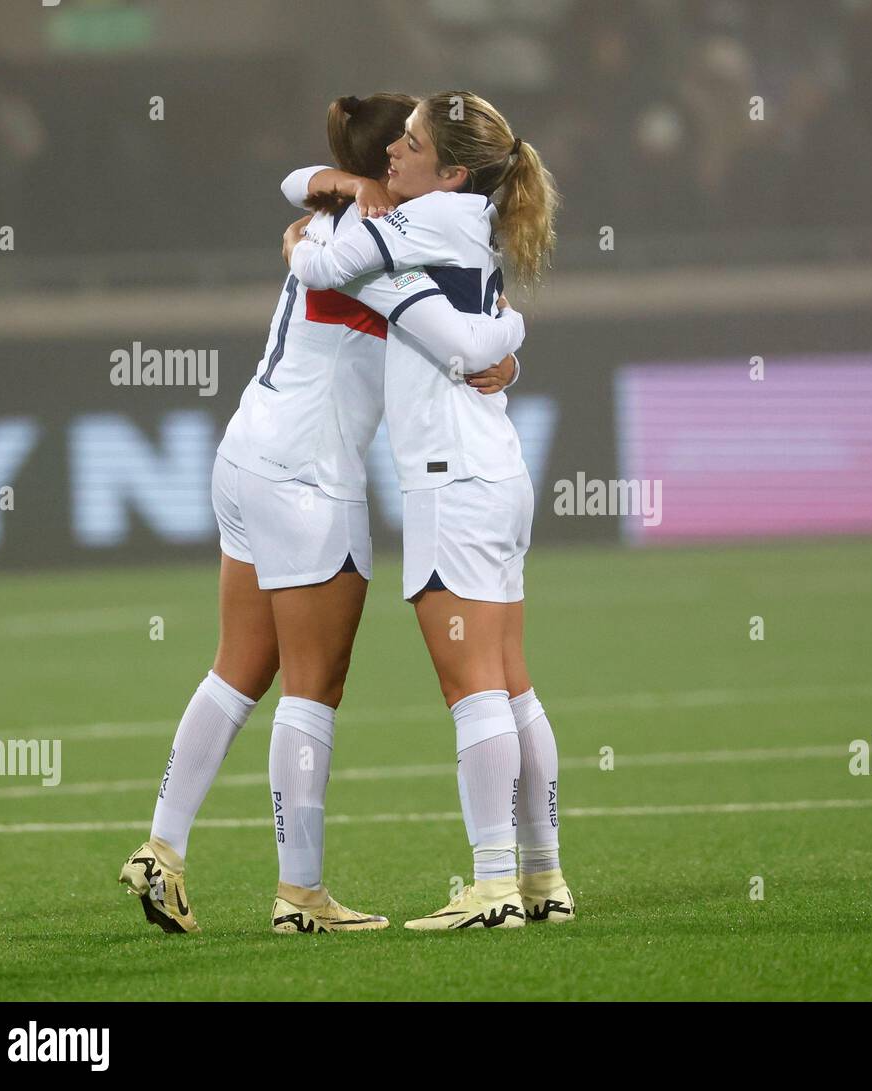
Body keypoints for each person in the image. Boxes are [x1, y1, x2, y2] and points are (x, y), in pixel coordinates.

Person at [119, 93, 524, 936]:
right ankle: (299, 895)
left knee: (238, 668)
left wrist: (327, 185)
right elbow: (457, 337)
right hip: (309, 475)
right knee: (314, 687)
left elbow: (298, 195)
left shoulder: (336, 225)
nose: (410, 162)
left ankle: (163, 844)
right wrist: (508, 341)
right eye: (403, 150)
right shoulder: (377, 257)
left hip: (245, 452)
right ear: (389, 171)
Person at [284, 91, 573, 930]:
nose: (392, 160)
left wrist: (312, 230)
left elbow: (319, 268)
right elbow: (471, 336)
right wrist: (507, 340)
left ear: (449, 170)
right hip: (492, 467)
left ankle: (490, 887)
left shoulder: (426, 220)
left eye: (409, 146)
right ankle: (542, 877)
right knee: (513, 686)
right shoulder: (462, 216)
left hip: (453, 478)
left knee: (472, 686)